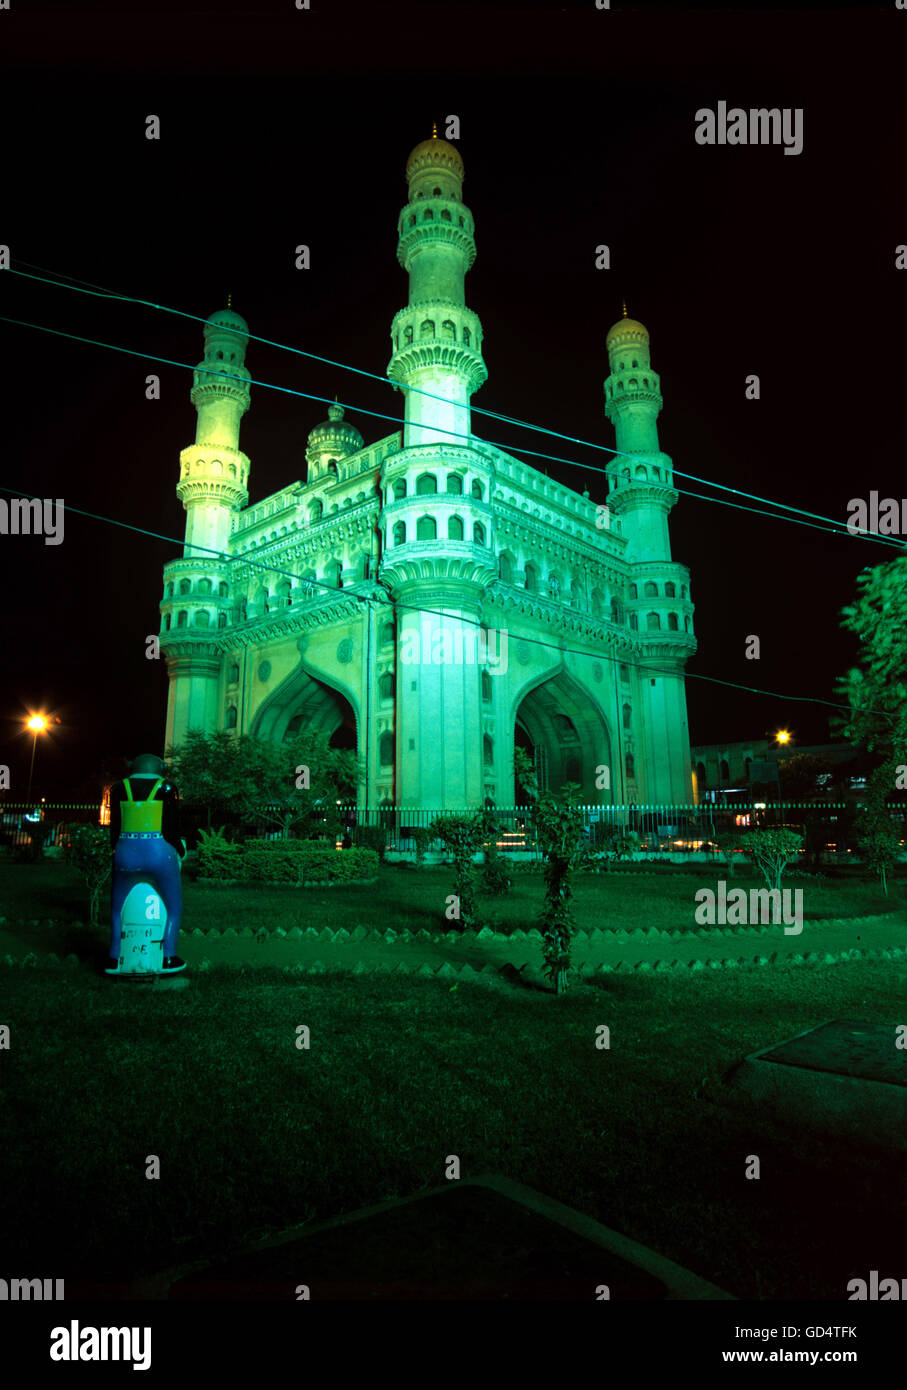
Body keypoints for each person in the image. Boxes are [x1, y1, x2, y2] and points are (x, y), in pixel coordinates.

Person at [106, 753, 187, 975]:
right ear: (161, 768)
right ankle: (168, 957)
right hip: (159, 853)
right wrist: (180, 849)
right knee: (173, 907)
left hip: (125, 851)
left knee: (116, 908)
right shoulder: (167, 788)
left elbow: (115, 824)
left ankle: (114, 958)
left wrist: (116, 848)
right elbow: (171, 826)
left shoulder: (118, 788)